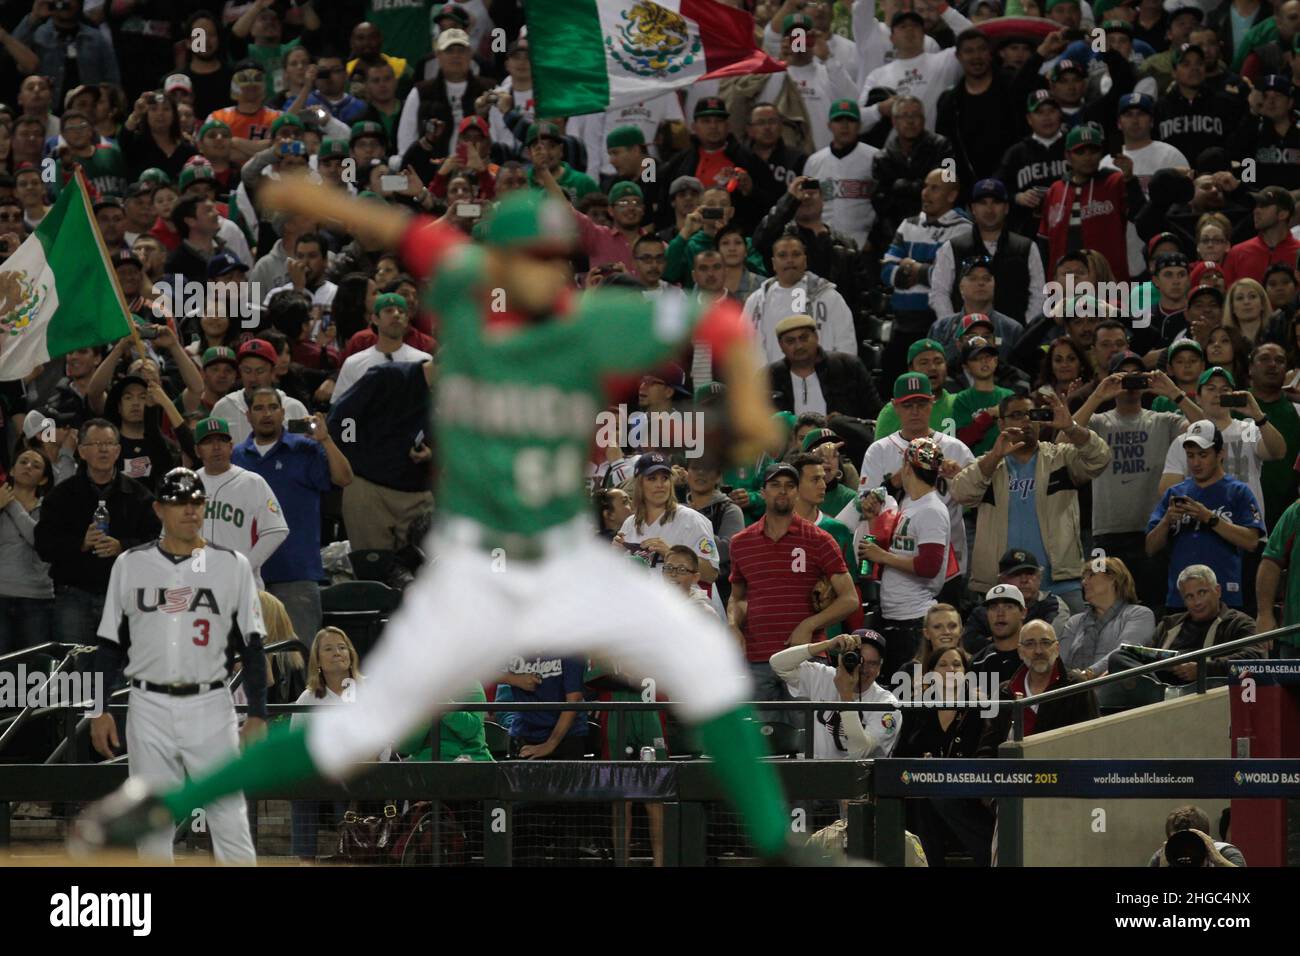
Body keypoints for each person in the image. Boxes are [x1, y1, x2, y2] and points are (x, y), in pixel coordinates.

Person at [74, 183, 799, 864]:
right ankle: (166, 803)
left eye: (561, 262)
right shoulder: (461, 282)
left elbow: (721, 319)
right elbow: (394, 225)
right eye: (532, 259)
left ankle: (778, 846)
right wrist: (307, 196)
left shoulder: (600, 321)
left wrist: (753, 405)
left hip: (569, 559)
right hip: (473, 573)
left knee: (706, 662)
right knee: (358, 729)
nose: (549, 275)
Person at [87, 468, 264, 863]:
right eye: (179, 502)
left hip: (211, 704)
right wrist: (97, 709)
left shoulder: (233, 565)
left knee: (229, 814)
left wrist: (258, 711)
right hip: (147, 704)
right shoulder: (130, 564)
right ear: (158, 509)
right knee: (151, 819)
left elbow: (252, 643)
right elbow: (109, 645)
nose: (189, 510)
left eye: (196, 502)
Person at [951, 392, 1111, 613]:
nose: (1026, 421)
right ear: (1001, 423)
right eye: (1017, 415)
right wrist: (995, 456)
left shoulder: (1060, 458)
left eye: (1031, 415)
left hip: (1060, 582)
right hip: (1003, 586)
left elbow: (1100, 458)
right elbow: (961, 492)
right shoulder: (989, 466)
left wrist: (1071, 427)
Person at [729, 462, 859, 720]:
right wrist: (733, 624)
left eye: (789, 486)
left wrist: (810, 624)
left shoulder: (819, 539)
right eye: (775, 485)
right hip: (756, 658)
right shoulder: (741, 542)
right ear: (762, 492)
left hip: (805, 659)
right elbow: (737, 596)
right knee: (764, 747)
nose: (783, 491)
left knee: (807, 744)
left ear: (797, 491)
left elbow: (850, 599)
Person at [1072, 357, 1204, 607]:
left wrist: (1174, 392)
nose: (1130, 381)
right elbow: (1063, 437)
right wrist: (1098, 396)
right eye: (1123, 375)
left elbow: (1207, 429)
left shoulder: (1164, 420)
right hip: (1106, 533)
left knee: (1153, 604)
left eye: (1136, 375)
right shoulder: (1099, 422)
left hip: (1153, 532)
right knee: (1103, 604)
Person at [233, 388, 353, 649]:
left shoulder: (306, 449)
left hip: (296, 572)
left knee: (304, 656)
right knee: (254, 663)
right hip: (249, 575)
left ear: (283, 413)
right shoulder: (236, 457)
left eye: (273, 407)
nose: (267, 414)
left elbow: (345, 478)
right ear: (247, 415)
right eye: (259, 408)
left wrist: (326, 440)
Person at [33, 419, 161, 647]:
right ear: (81, 451)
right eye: (95, 444)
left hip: (123, 596)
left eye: (109, 444)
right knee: (74, 668)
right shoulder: (61, 495)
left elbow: (158, 542)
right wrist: (80, 544)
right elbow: (44, 545)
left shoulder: (139, 495)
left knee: (118, 672)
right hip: (73, 594)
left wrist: (122, 546)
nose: (103, 449)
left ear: (118, 450)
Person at [859, 437, 953, 684]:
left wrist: (883, 557)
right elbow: (877, 552)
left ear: (908, 468)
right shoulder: (910, 503)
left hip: (914, 620)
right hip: (896, 617)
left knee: (909, 694)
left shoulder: (931, 509)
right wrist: (872, 521)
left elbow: (929, 566)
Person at [1147, 422, 1267, 613]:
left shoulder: (1238, 492)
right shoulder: (1175, 494)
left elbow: (1252, 542)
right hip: (1180, 600)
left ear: (1221, 453)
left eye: (1203, 455)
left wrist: (1210, 518)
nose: (1195, 463)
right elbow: (1150, 547)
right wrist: (1166, 522)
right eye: (1190, 456)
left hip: (1226, 597)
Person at [896, 644, 995, 866]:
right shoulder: (916, 710)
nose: (950, 669)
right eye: (943, 664)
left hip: (968, 791)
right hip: (924, 796)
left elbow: (986, 753)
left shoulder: (979, 708)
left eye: (956, 664)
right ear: (930, 674)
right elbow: (901, 754)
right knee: (925, 794)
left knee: (934, 792)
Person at [1158, 366, 1285, 525]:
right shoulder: (1185, 440)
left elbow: (1278, 452)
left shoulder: (1248, 430)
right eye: (1211, 389)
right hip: (1199, 529)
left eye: (1225, 389)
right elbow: (1167, 491)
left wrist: (1258, 416)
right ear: (1198, 397)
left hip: (1246, 528)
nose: (1218, 394)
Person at [1111, 565, 1263, 681]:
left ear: (1217, 591)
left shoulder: (1239, 622)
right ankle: (1156, 689)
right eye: (1189, 596)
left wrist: (1202, 668)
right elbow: (1148, 655)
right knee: (1119, 656)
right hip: (1161, 682)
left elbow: (1255, 658)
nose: (1196, 602)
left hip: (1205, 688)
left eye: (1202, 593)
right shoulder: (1169, 624)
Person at [769, 629, 902, 758]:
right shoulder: (823, 676)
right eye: (858, 660)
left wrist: (846, 695)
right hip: (817, 771)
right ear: (843, 657)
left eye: (872, 663)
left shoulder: (887, 705)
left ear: (880, 667)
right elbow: (777, 664)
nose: (863, 669)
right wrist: (827, 644)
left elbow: (859, 753)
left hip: (858, 777)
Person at [192, 417, 289, 590]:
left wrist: (244, 566)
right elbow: (168, 536)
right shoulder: (187, 484)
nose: (216, 447)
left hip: (242, 586)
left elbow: (277, 530)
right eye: (208, 442)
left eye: (222, 441)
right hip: (196, 586)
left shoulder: (252, 482)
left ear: (231, 447)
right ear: (198, 450)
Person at [978, 620, 1099, 754]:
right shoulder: (1004, 692)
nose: (1038, 651)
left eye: (1045, 643)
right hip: (1011, 773)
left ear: (1057, 648)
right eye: (1030, 644)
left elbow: (1090, 743)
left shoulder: (1077, 687)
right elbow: (987, 749)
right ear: (1020, 651)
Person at [616, 453, 720, 584]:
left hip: (682, 602)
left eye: (665, 478)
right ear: (639, 484)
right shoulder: (629, 524)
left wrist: (671, 554)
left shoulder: (691, 519)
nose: (660, 484)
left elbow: (711, 573)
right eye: (652, 478)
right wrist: (614, 555)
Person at [764, 313, 882, 420]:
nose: (799, 346)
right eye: (790, 341)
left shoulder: (848, 366)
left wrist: (845, 424)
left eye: (804, 338)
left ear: (816, 337)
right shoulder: (769, 376)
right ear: (781, 345)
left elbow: (875, 415)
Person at [1057, 556, 1156, 679]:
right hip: (1074, 692)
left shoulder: (1139, 614)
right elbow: (1060, 662)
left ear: (1113, 577)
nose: (1084, 582)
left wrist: (1088, 674)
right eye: (1083, 577)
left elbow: (1125, 653)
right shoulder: (1075, 622)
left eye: (1091, 575)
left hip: (1116, 689)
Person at [962, 548, 1071, 652]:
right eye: (1016, 574)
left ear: (1039, 577)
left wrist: (997, 641)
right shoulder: (986, 608)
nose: (1024, 580)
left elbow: (1044, 642)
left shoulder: (1053, 605)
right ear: (1002, 580)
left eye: (1030, 573)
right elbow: (970, 643)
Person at [0, 449, 55, 653]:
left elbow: (39, 540)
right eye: (23, 462)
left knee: (34, 670)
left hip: (37, 598)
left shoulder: (51, 508)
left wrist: (11, 503)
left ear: (43, 480)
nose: (28, 466)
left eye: (36, 465)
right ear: (12, 471)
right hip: (1, 593)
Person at [209, 339, 310, 446]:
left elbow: (307, 448)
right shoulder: (223, 407)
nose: (253, 378)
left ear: (273, 372)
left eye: (260, 371)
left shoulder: (294, 408)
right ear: (240, 371)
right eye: (247, 371)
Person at [970, 583, 1031, 684]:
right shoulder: (978, 662)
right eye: (993, 607)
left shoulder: (1036, 656)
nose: (1000, 614)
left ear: (1023, 613)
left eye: (1008, 607)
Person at [1149, 805, 1245, 867]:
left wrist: (1219, 861)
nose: (1185, 850)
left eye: (1190, 843)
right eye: (1179, 842)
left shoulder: (1225, 853)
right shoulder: (1164, 856)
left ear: (1206, 839)